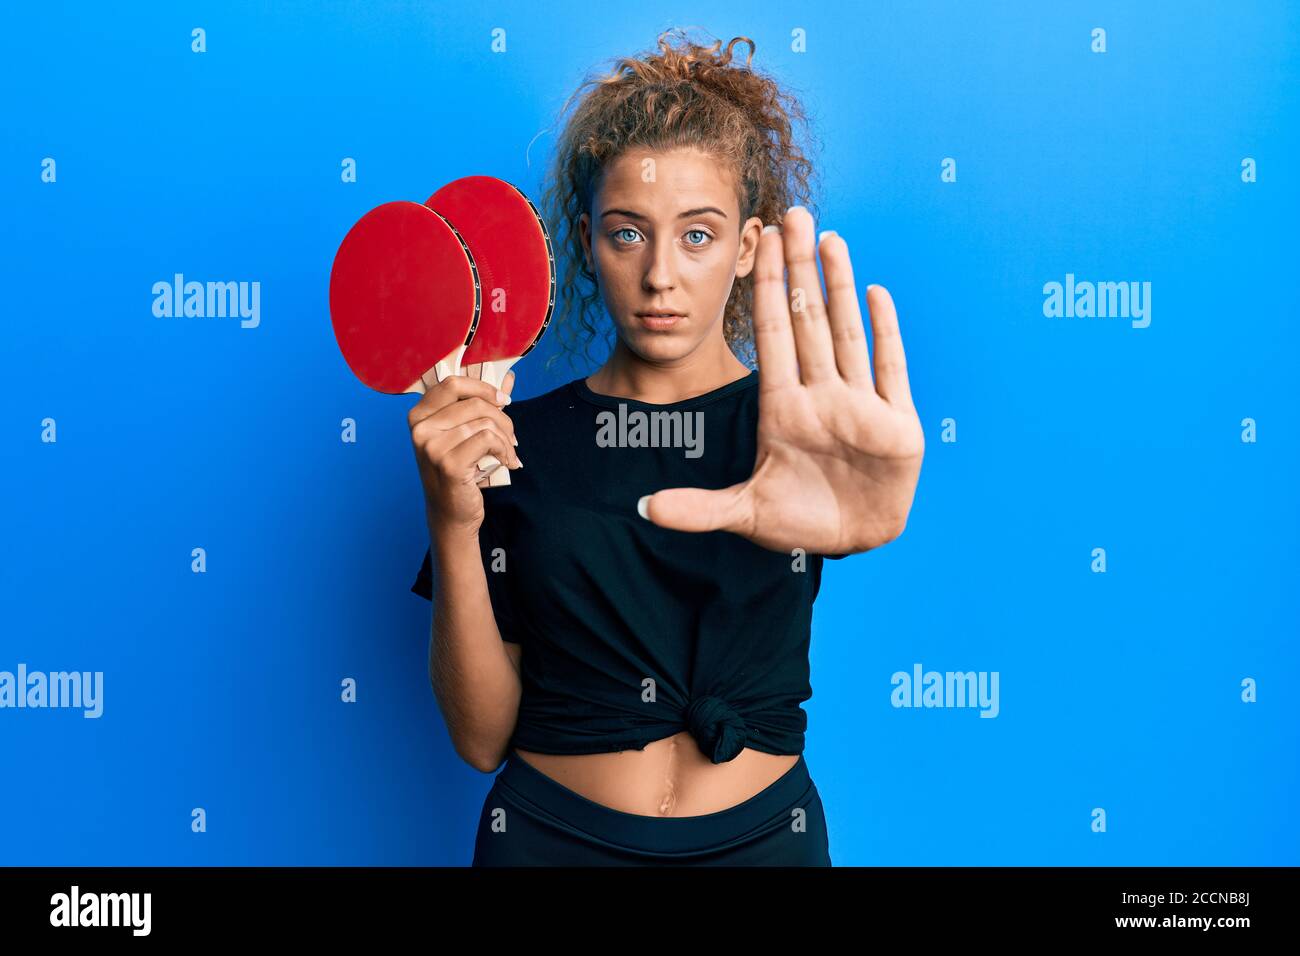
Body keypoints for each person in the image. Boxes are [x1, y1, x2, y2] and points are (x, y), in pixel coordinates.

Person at [408, 29, 924, 865]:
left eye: (697, 234)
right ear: (584, 242)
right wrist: (450, 520)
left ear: (747, 248)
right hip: (550, 842)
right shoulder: (507, 443)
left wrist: (867, 502)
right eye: (626, 233)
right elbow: (479, 739)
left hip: (766, 844)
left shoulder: (806, 430)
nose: (660, 277)